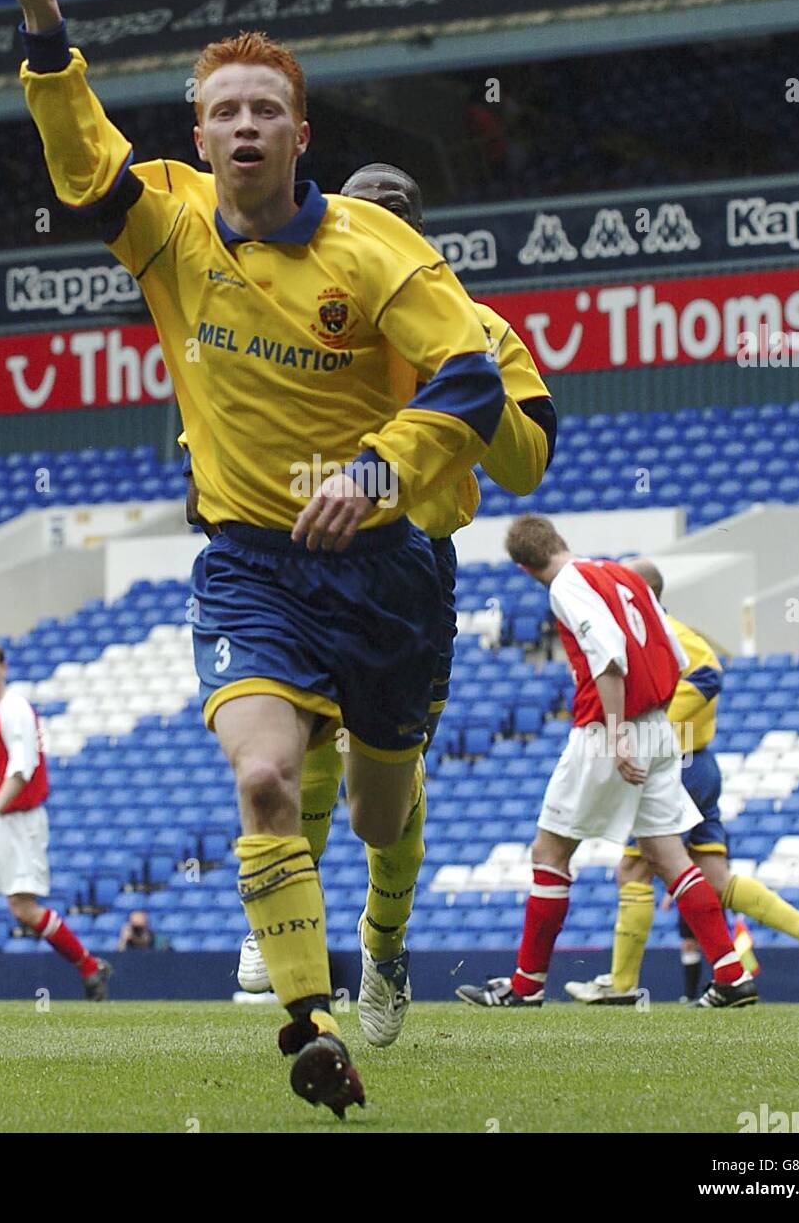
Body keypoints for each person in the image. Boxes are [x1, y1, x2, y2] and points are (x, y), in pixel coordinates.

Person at [0, 0, 505, 1115]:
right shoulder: (169, 224)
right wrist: (45, 26)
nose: (241, 126)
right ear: (201, 130)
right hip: (249, 562)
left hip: (385, 571)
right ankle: (306, 1015)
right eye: (221, 109)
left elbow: (473, 377)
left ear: (298, 133)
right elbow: (85, 169)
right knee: (266, 780)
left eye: (262, 110)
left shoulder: (377, 251)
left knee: (384, 806)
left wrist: (378, 470)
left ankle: (384, 947)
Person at [229, 162, 556, 1047]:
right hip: (299, 550)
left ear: (420, 235)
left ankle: (385, 943)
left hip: (413, 566)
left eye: (396, 216)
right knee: (300, 743)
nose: (375, 230)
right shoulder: (286, 311)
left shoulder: (475, 326)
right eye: (360, 216)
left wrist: (468, 374)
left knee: (390, 787)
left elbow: (526, 466)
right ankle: (293, 931)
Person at [455, 516, 760, 1010]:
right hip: (661, 728)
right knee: (668, 856)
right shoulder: (625, 575)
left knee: (549, 854)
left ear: (524, 567)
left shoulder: (567, 585)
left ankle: (526, 985)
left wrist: (618, 733)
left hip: (606, 733)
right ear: (561, 541)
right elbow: (675, 650)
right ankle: (730, 975)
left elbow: (609, 657)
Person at [565, 558, 799, 1005]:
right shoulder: (650, 633)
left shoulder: (664, 630)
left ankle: (621, 985)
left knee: (633, 867)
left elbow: (708, 672)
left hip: (681, 764)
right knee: (713, 877)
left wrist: (656, 731)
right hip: (698, 764)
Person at [0, 641, 112, 1001]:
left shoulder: (15, 709)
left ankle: (89, 966)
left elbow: (22, 769)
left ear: (3, 669)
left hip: (18, 820)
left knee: (22, 908)